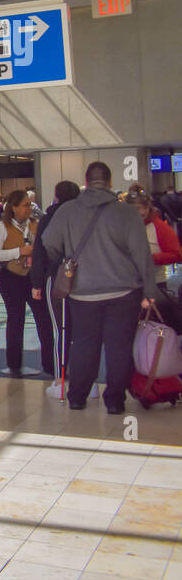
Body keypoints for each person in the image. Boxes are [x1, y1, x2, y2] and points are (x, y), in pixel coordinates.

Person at [41, 162, 162, 413]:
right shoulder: (126, 213)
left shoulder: (67, 210)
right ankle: (115, 402)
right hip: (124, 292)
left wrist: (66, 256)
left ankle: (77, 397)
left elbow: (48, 242)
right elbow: (142, 255)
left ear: (86, 181)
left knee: (84, 344)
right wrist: (149, 291)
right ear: (109, 182)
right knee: (119, 347)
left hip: (82, 292)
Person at [0, 190, 55, 377]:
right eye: (25, 205)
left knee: (44, 320)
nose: (29, 208)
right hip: (10, 278)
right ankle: (14, 365)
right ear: (14, 207)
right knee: (16, 320)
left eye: (30, 204)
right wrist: (19, 251)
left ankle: (50, 364)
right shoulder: (2, 227)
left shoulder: (36, 225)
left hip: (33, 278)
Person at [30, 180, 81, 389]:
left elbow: (39, 251)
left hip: (57, 275)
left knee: (60, 328)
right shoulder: (84, 216)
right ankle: (86, 379)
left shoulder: (49, 217)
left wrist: (36, 283)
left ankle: (60, 378)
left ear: (56, 195)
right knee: (83, 331)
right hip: (84, 277)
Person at [126, 185, 181, 285]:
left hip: (155, 284)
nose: (142, 212)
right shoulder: (120, 226)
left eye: (145, 207)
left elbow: (176, 254)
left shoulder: (159, 227)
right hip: (127, 286)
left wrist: (150, 259)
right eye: (137, 208)